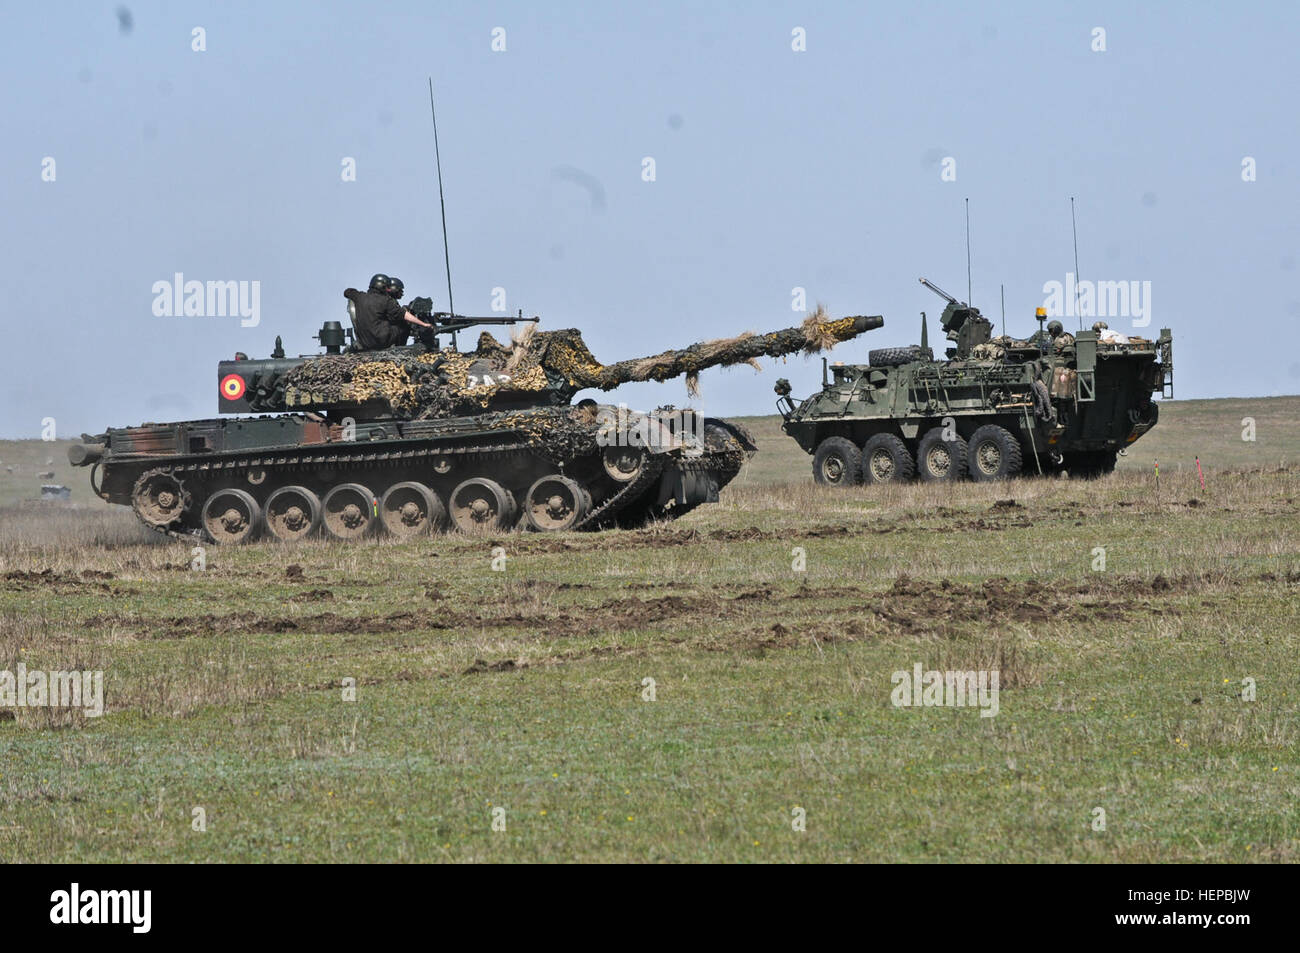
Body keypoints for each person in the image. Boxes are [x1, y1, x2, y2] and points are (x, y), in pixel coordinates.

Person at [344, 273, 432, 350]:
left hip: (365, 342)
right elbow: (405, 315)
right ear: (382, 287)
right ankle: (399, 348)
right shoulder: (386, 301)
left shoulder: (359, 297)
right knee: (404, 324)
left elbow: (347, 292)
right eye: (387, 287)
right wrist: (423, 324)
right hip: (381, 341)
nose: (389, 290)